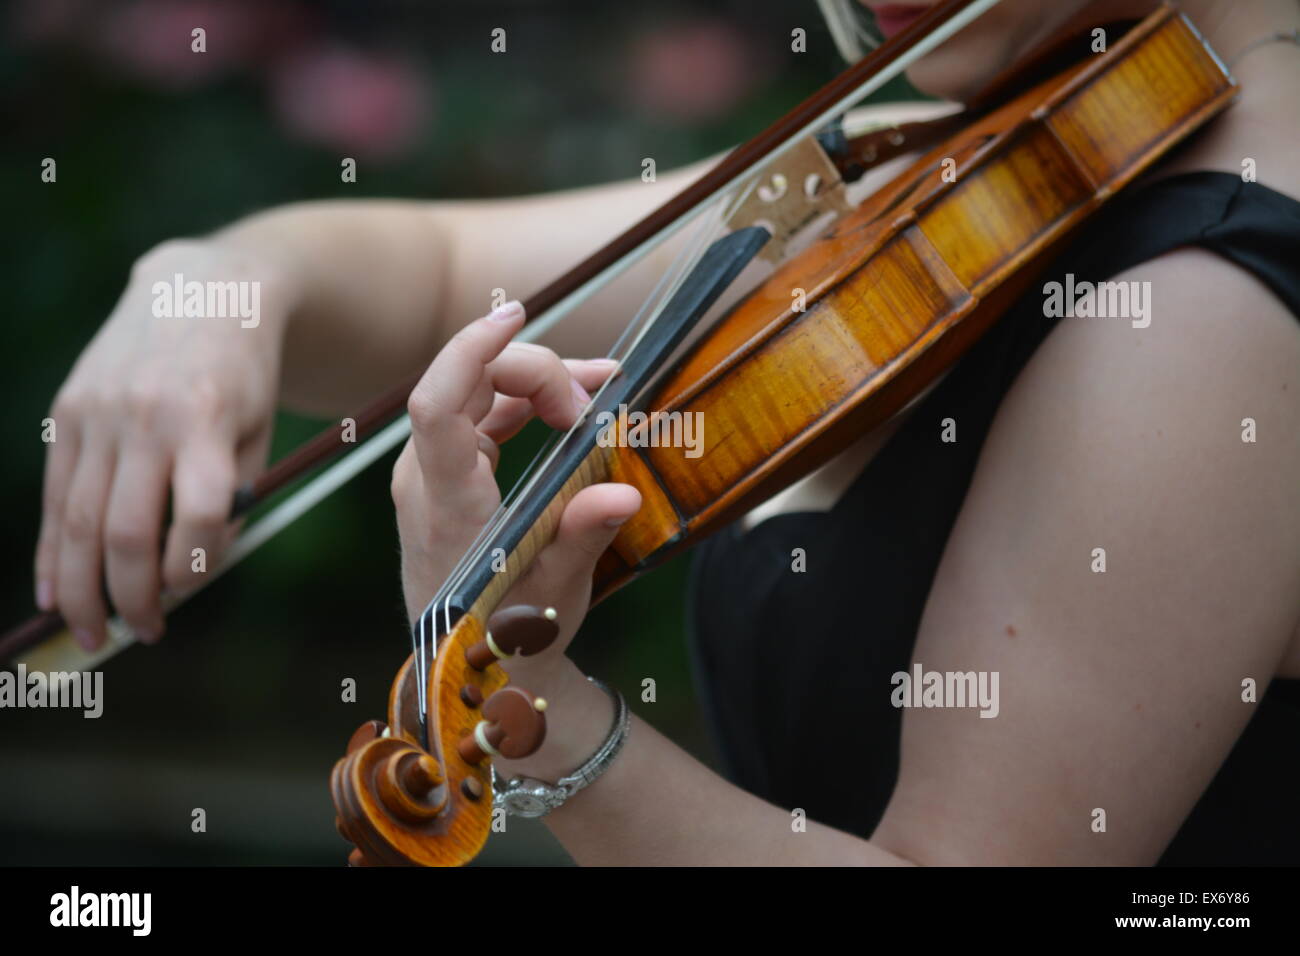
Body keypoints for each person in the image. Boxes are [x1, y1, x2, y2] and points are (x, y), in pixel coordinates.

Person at [36, 0, 1300, 864]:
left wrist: (538, 710)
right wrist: (210, 288)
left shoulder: (1206, 307)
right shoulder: (1035, 144)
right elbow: (434, 273)